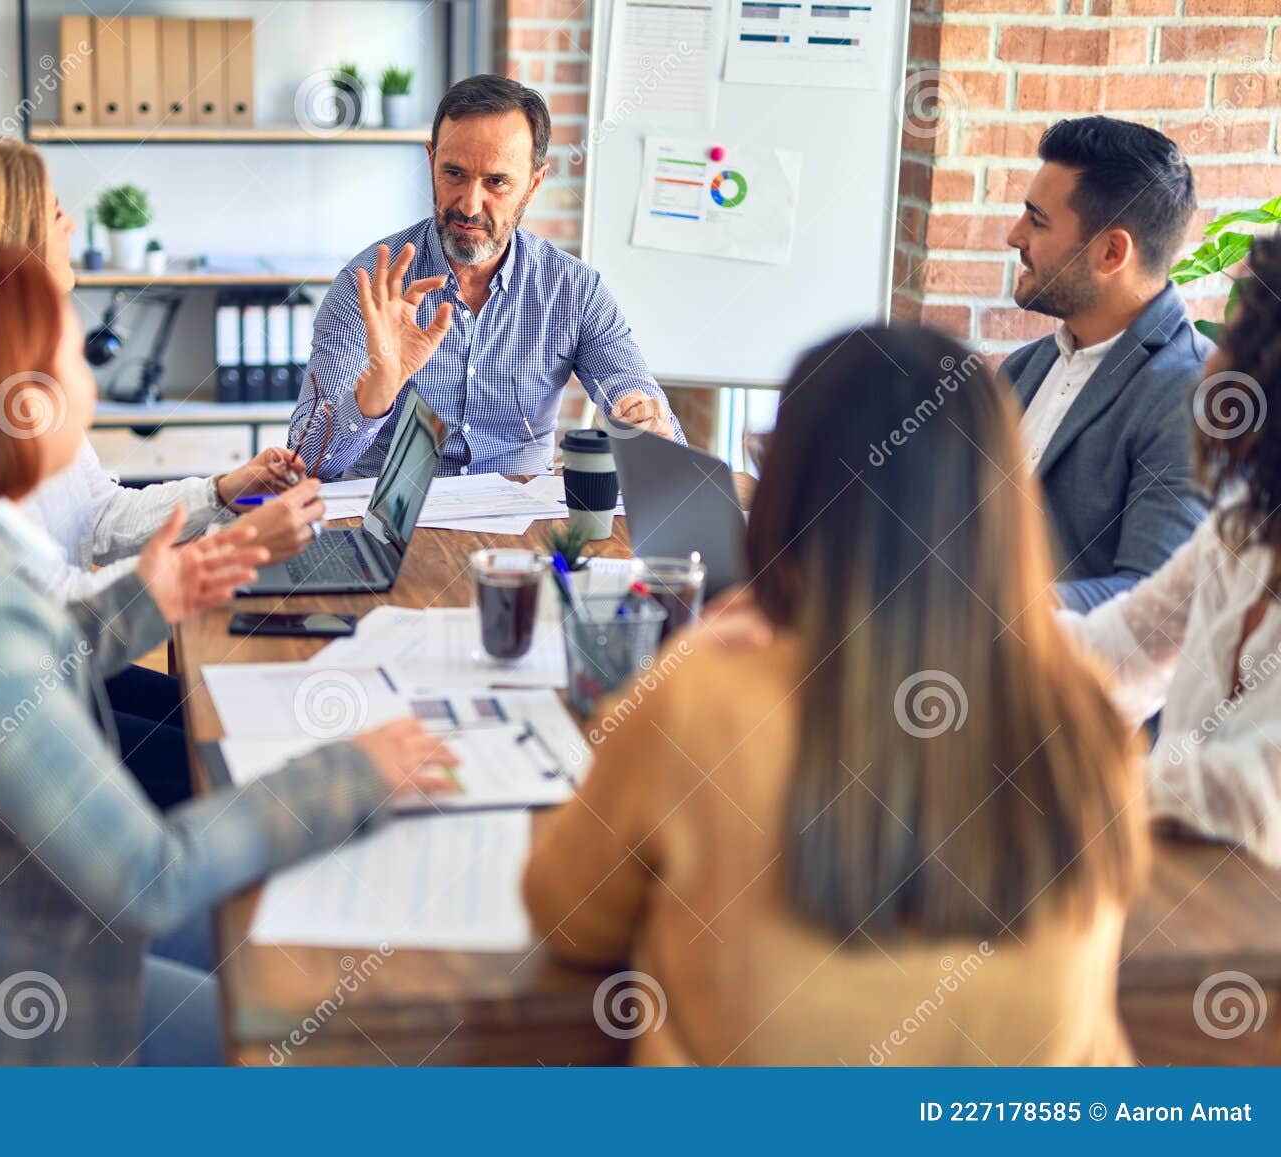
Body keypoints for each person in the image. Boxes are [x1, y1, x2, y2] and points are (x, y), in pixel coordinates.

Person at [0, 241, 457, 1065]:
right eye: (72, 356)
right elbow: (151, 876)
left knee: (271, 931)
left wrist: (158, 593)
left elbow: (9, 674)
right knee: (317, 1027)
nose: (90, 377)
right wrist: (360, 768)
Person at [523, 324, 1148, 1066]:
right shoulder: (1085, 713)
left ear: (792, 492)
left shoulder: (704, 702)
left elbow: (567, 913)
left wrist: (672, 668)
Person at [0, 135, 327, 808]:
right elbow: (59, 612)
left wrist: (219, 492)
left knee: (238, 723)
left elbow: (95, 511)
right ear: (1, 242)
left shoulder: (6, 382)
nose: (69, 224)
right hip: (18, 724)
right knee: (246, 771)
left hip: (58, 673)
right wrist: (235, 549)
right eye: (53, 210)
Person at [290, 74, 683, 480]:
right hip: (390, 527)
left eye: (496, 181)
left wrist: (649, 422)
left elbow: (644, 405)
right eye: (454, 174)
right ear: (431, 161)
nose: (469, 204)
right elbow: (304, 464)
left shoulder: (575, 290)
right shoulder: (373, 282)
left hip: (521, 526)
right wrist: (375, 391)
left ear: (534, 184)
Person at [1060, 235, 1281, 868]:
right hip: (1178, 889)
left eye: (1236, 334)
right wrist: (964, 642)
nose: (1212, 361)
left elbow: (1261, 790)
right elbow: (1125, 643)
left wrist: (1098, 792)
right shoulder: (1241, 531)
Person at [1002, 115, 1209, 611]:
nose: (1015, 236)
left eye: (1037, 219)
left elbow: (1153, 603)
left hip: (1079, 685)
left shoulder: (1195, 395)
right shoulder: (1021, 371)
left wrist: (978, 611)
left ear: (1112, 251)